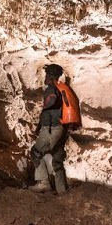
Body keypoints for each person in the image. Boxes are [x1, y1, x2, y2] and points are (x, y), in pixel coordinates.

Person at [30, 63, 73, 194]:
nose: (45, 77)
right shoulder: (63, 90)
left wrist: (42, 128)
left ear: (51, 76)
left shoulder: (51, 90)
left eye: (47, 75)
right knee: (57, 159)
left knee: (35, 153)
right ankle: (62, 190)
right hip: (61, 129)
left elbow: (48, 110)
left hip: (51, 128)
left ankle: (44, 183)